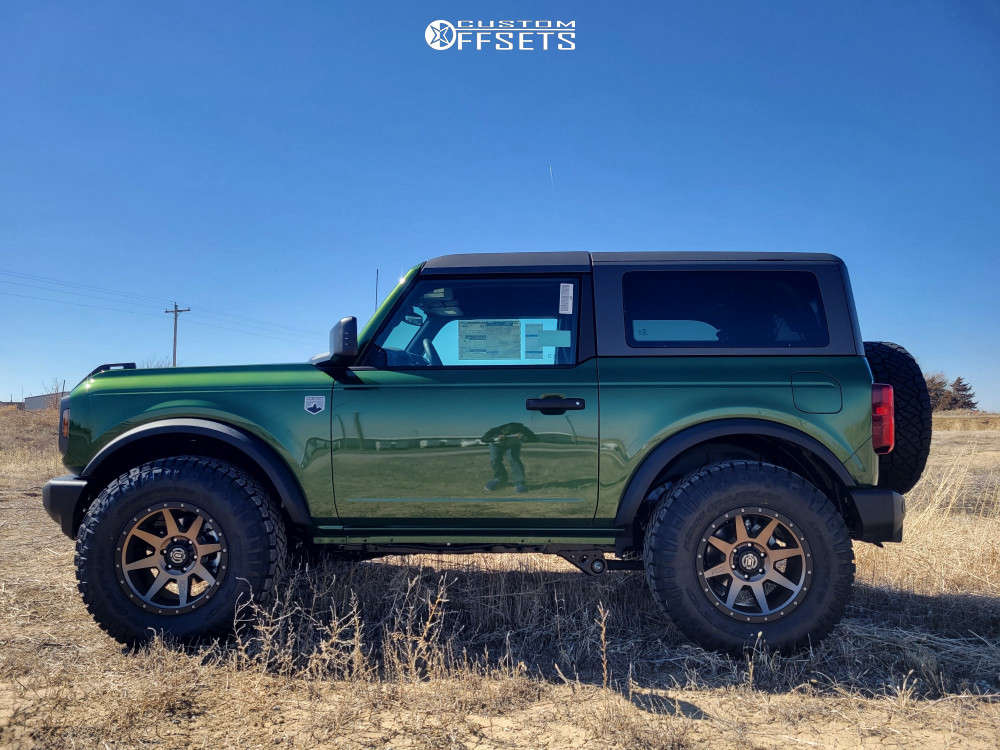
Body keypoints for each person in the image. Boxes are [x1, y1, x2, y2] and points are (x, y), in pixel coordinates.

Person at [480, 422, 536, 493]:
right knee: (494, 460)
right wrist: (496, 438)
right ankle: (499, 478)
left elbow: (535, 438)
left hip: (513, 445)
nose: (509, 433)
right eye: (506, 431)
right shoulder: (495, 429)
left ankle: (519, 482)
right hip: (496, 445)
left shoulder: (522, 428)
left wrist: (524, 437)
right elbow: (483, 439)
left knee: (513, 460)